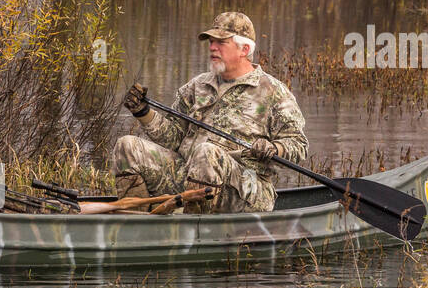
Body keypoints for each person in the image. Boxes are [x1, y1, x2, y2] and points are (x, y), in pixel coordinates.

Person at [114, 12, 308, 213]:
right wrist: (142, 112)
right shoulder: (198, 85)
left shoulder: (273, 92)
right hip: (189, 176)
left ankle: (193, 233)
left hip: (245, 190)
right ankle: (135, 225)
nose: (212, 47)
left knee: (207, 152)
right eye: (211, 41)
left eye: (221, 42)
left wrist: (274, 148)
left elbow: (299, 145)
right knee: (127, 146)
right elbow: (173, 138)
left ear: (245, 49)